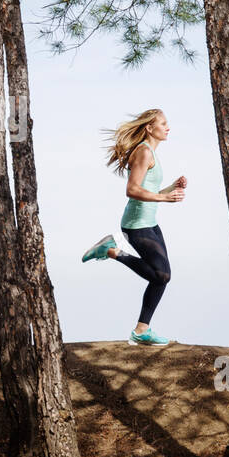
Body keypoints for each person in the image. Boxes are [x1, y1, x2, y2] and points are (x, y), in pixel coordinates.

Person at [81, 108, 186, 346]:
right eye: (164, 123)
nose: (168, 127)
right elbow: (132, 190)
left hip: (150, 224)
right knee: (162, 275)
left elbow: (148, 192)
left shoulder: (152, 154)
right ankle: (110, 250)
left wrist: (170, 188)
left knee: (161, 277)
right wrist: (164, 199)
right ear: (150, 128)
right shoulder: (143, 152)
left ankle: (141, 330)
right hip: (136, 226)